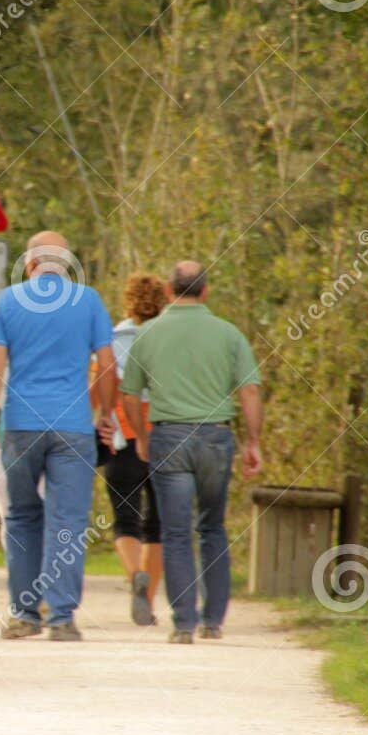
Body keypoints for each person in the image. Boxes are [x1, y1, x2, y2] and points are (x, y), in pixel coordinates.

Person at [0, 231, 116, 640]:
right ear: (66, 265)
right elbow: (106, 363)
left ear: (31, 263)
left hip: (20, 424)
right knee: (67, 520)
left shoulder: (9, 300)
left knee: (20, 516)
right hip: (73, 427)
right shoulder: (88, 300)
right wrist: (105, 414)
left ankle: (25, 614)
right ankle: (62, 619)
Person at [120, 261, 262, 644]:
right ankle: (213, 620)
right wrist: (253, 441)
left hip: (170, 437)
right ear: (206, 290)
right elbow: (249, 391)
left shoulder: (147, 334)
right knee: (212, 527)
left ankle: (184, 623)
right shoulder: (229, 334)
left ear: (169, 290)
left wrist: (141, 438)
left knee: (176, 532)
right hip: (216, 438)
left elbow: (130, 393)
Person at [104, 273, 169, 626]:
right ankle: (148, 601)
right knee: (156, 525)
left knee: (124, 521)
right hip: (162, 437)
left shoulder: (112, 340)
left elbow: (101, 385)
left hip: (123, 438)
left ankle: (135, 579)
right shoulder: (172, 340)